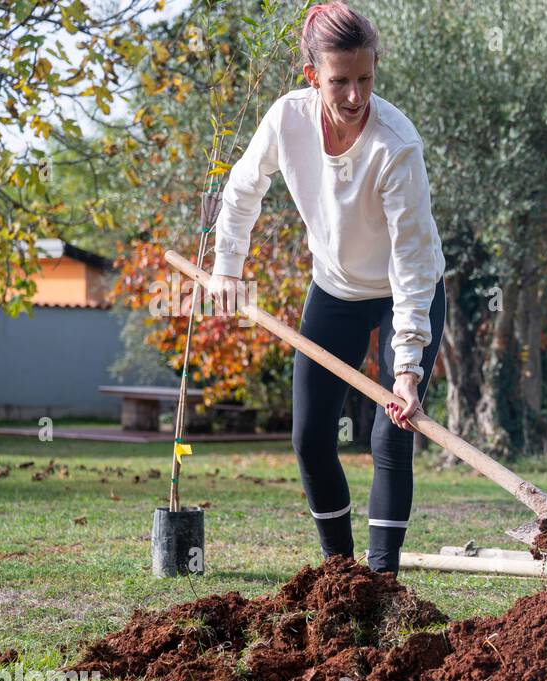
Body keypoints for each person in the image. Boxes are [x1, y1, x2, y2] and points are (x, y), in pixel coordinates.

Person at [207, 1, 445, 576]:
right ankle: (340, 577)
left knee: (392, 433)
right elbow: (242, 189)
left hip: (402, 293)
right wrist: (227, 267)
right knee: (311, 438)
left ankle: (382, 579)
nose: (355, 96)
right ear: (313, 75)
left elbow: (412, 263)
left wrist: (406, 371)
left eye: (365, 79)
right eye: (340, 81)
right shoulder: (287, 119)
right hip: (335, 290)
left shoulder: (396, 145)